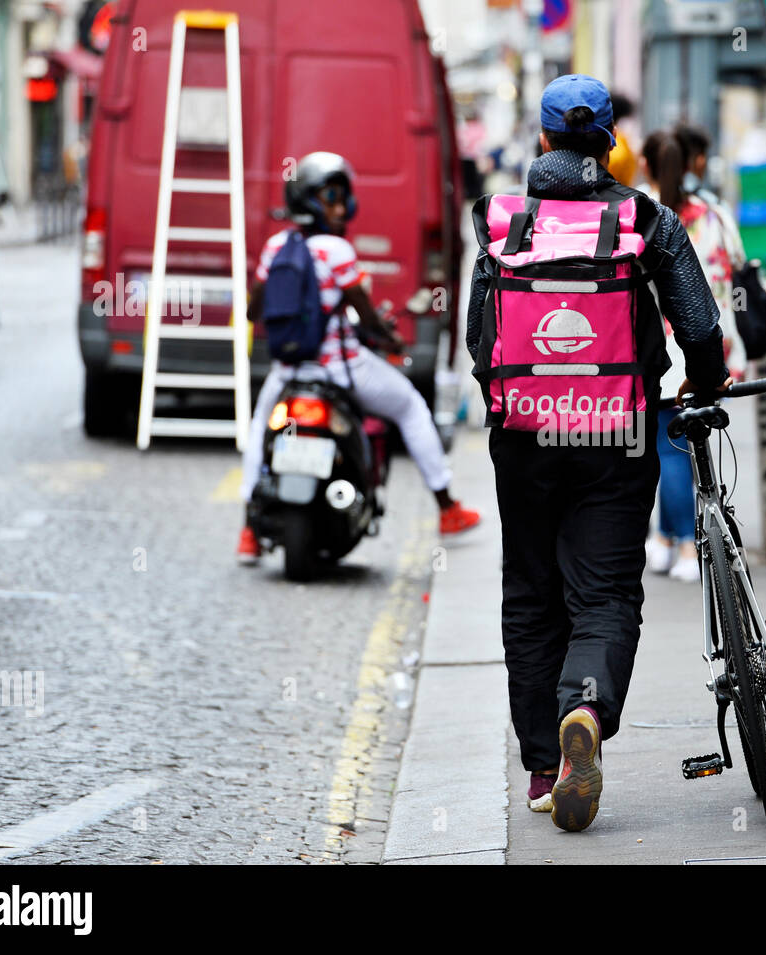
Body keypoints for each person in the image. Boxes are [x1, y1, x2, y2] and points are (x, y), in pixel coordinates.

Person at [466, 74, 730, 831]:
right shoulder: (644, 218)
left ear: (544, 142)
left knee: (530, 593)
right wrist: (697, 389)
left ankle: (546, 767)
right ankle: (585, 704)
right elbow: (700, 325)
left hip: (523, 438)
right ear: (609, 141)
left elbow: (481, 340)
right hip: (616, 429)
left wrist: (508, 400)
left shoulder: (500, 221)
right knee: (607, 592)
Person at [236, 151, 479, 563]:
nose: (340, 207)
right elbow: (366, 318)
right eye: (332, 198)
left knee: (260, 430)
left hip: (289, 372)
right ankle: (446, 507)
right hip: (342, 370)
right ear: (314, 201)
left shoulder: (277, 246)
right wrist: (392, 343)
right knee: (411, 408)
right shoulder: (337, 250)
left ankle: (248, 531)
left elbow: (251, 311)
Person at [639, 127, 746, 583]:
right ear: (691, 164)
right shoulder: (715, 215)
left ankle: (682, 544)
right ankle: (669, 539)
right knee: (693, 446)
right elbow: (737, 267)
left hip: (662, 352)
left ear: (646, 165)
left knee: (668, 449)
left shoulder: (638, 216)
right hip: (711, 348)